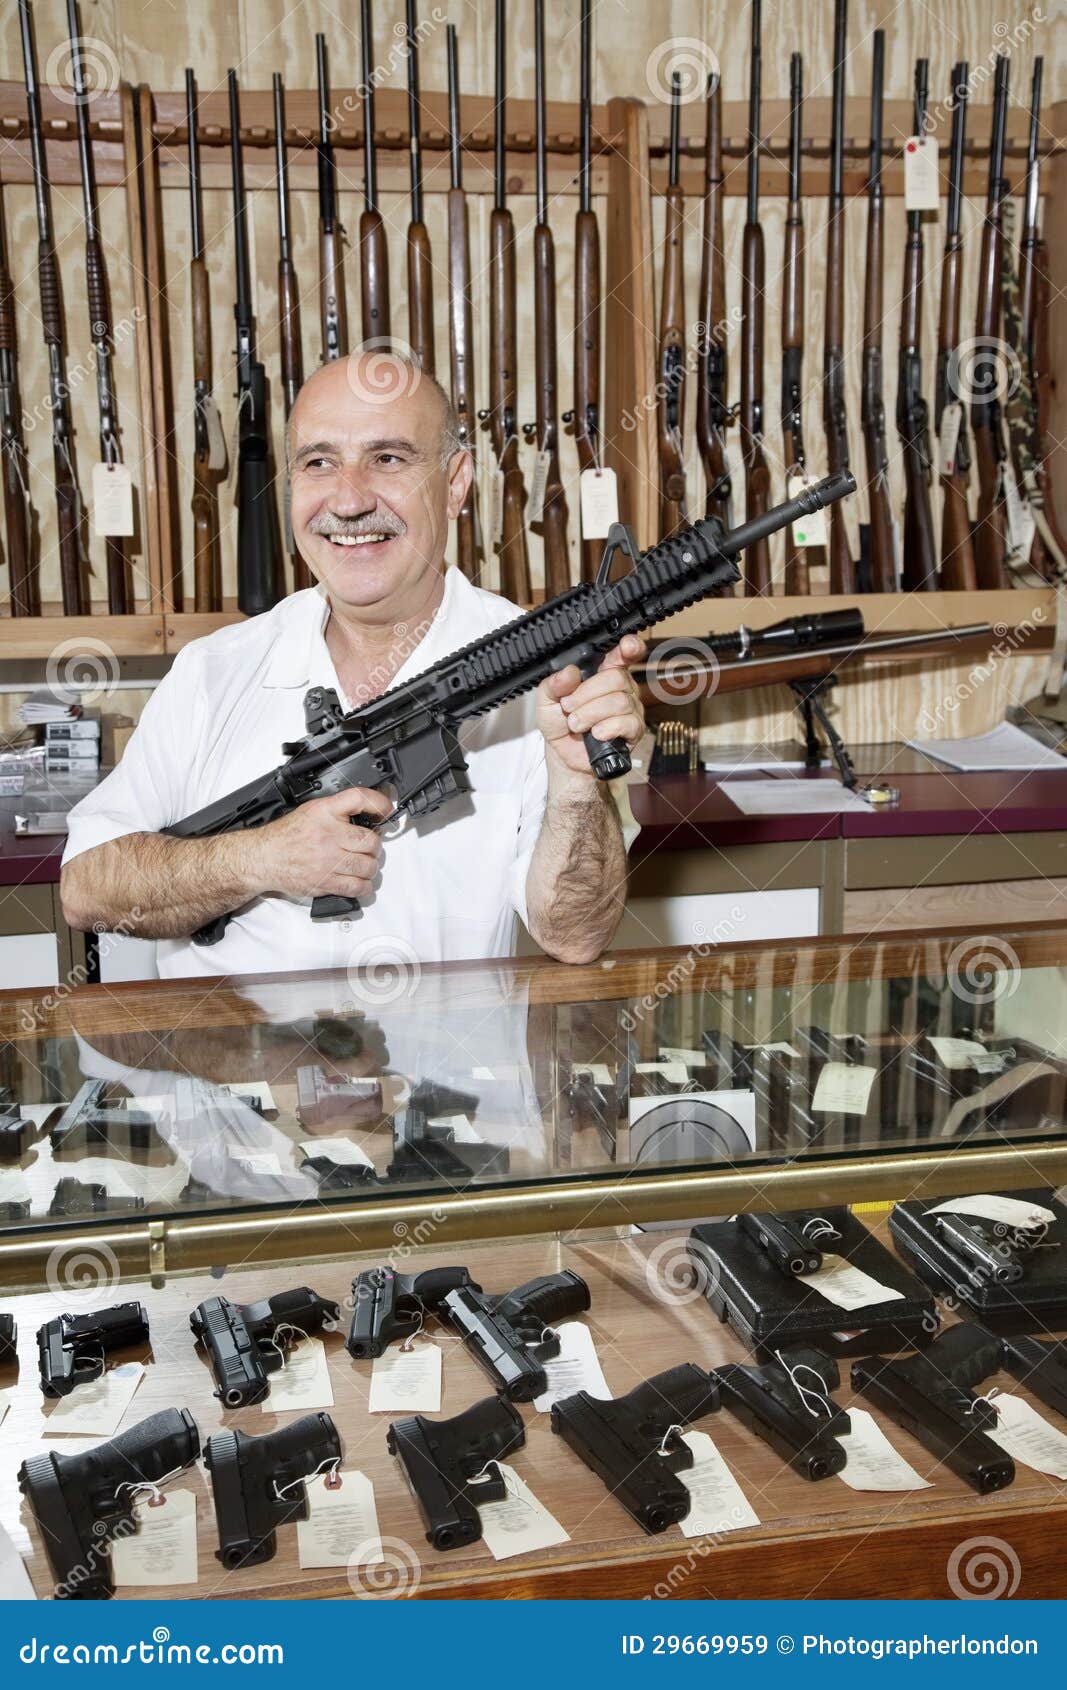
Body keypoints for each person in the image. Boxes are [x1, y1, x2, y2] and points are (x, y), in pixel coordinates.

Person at [60, 352, 646, 978]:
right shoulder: (213, 671)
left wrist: (578, 783)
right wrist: (261, 859)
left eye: (388, 458)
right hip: (233, 1068)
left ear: (455, 484)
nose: (348, 500)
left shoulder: (544, 674)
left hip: (453, 1069)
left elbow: (576, 937)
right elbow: (87, 886)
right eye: (319, 463)